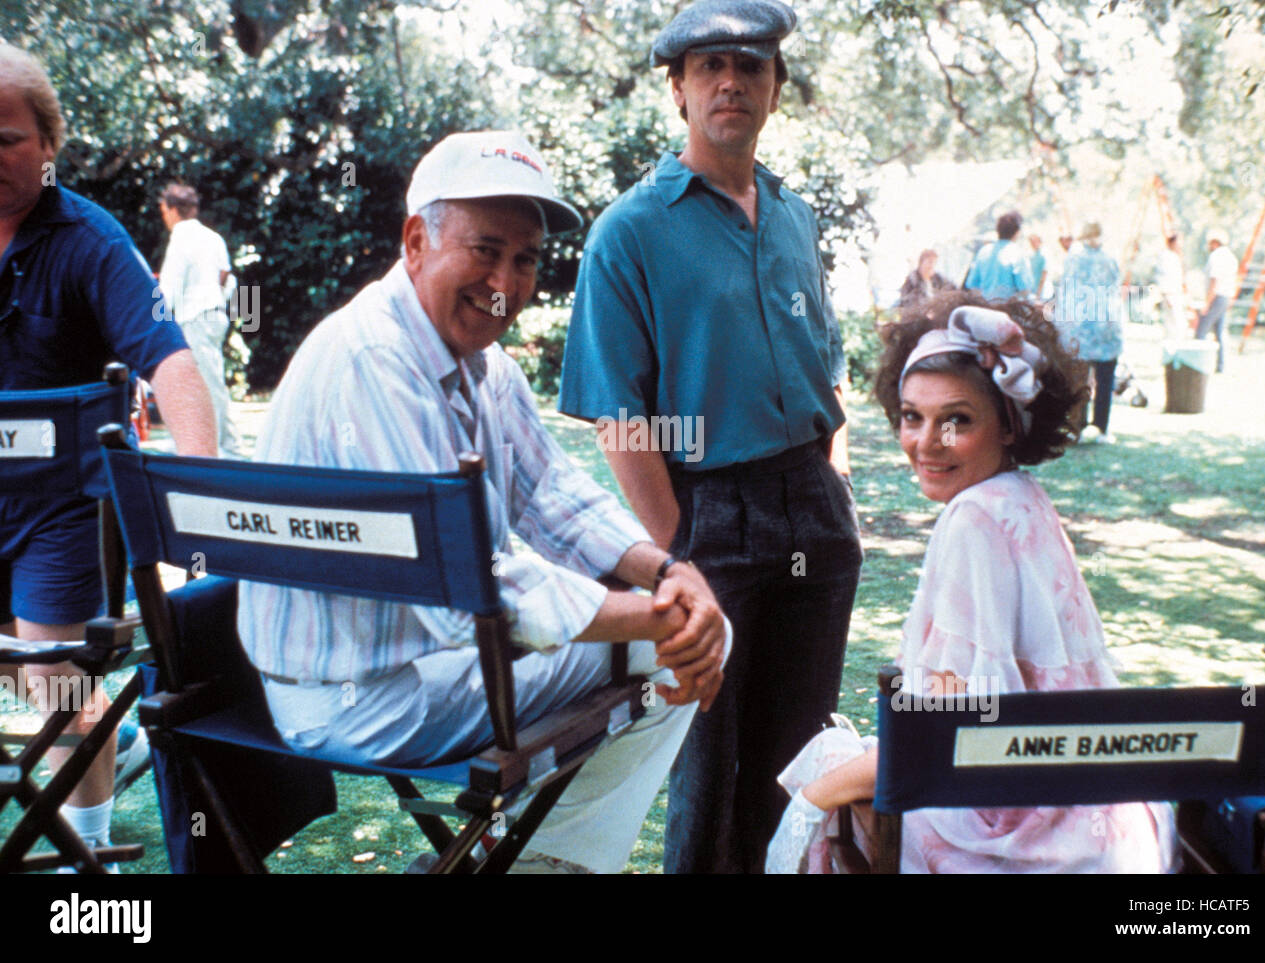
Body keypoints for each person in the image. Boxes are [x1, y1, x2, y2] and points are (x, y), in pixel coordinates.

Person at [238, 130, 729, 874]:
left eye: (525, 259)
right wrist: (670, 615)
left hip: (413, 664)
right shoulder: (374, 358)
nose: (505, 282)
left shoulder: (481, 363)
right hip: (355, 696)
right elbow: (468, 583)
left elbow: (552, 493)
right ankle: (532, 865)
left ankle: (506, 862)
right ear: (415, 242)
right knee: (684, 644)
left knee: (687, 634)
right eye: (485, 249)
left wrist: (666, 570)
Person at [558, 0, 862, 874]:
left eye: (751, 65)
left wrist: (835, 492)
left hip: (812, 502)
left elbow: (825, 370)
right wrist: (675, 551)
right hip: (708, 512)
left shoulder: (794, 216)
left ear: (775, 89)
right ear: (680, 92)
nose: (731, 81)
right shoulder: (630, 232)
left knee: (799, 757)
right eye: (709, 67)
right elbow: (622, 416)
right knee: (707, 760)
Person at [767, 292, 1179, 873]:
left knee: (823, 793)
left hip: (1027, 837)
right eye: (913, 416)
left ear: (1009, 427)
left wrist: (812, 800)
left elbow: (951, 736)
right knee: (837, 765)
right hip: (1105, 815)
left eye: (956, 420)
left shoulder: (974, 520)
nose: (926, 443)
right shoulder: (1023, 498)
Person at [0, 47, 216, 865]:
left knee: (56, 675)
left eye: (6, 139)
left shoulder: (91, 238)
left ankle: (81, 863)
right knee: (42, 675)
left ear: (49, 142)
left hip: (64, 507)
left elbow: (173, 359)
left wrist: (194, 497)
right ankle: (110, 734)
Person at [158, 182, 240, 458]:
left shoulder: (181, 238)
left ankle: (218, 447)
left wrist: (158, 324)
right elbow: (225, 274)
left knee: (204, 382)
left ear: (171, 209)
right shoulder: (212, 237)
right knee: (212, 379)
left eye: (163, 210)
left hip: (194, 318)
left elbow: (170, 288)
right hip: (215, 315)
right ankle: (228, 443)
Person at [1056, 221, 1123, 444]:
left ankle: (1079, 427)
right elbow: (1116, 288)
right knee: (1105, 381)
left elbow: (1065, 291)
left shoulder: (1073, 259)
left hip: (1080, 330)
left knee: (1080, 382)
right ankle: (1102, 429)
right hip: (1106, 328)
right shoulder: (1110, 258)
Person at [964, 211, 1034, 301]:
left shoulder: (983, 251)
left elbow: (971, 284)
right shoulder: (1018, 253)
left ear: (998, 230)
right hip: (1008, 310)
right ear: (1017, 232)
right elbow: (1025, 289)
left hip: (984, 308)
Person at [1197, 227, 1237, 374]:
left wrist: (1207, 304)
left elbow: (1215, 281)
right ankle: (1220, 365)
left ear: (1214, 242)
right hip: (1226, 297)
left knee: (1201, 331)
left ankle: (1198, 364)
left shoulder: (1216, 257)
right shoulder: (1231, 257)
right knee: (1219, 333)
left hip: (1217, 297)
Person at [1154, 233, 1186, 340]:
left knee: (1177, 324)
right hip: (1170, 294)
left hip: (1176, 294)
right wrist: (1167, 294)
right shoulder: (1165, 256)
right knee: (1171, 324)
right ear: (1172, 242)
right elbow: (1163, 276)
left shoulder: (1175, 256)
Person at [1027, 233, 1047, 298]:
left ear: (1039, 241)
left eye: (1034, 241)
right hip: (1032, 291)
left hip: (1041, 293)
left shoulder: (1043, 255)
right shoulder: (1032, 256)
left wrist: (1038, 293)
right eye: (1031, 241)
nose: (1032, 243)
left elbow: (1044, 275)